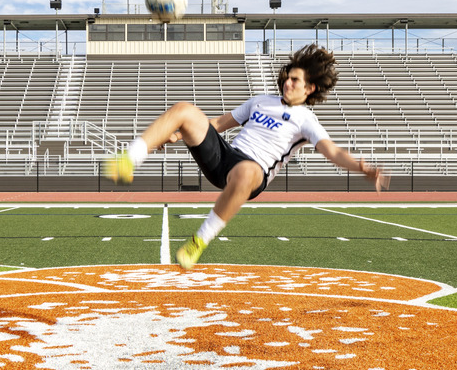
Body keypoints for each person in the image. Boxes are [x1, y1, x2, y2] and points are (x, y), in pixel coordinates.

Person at [104, 43, 387, 269]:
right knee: (184, 109)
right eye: (287, 78)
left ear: (309, 88)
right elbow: (217, 124)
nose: (287, 83)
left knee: (247, 171)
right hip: (224, 158)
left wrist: (361, 167)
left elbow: (332, 150)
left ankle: (198, 242)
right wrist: (176, 134)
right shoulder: (259, 100)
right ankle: (129, 160)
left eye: (295, 80)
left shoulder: (306, 120)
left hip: (252, 174)